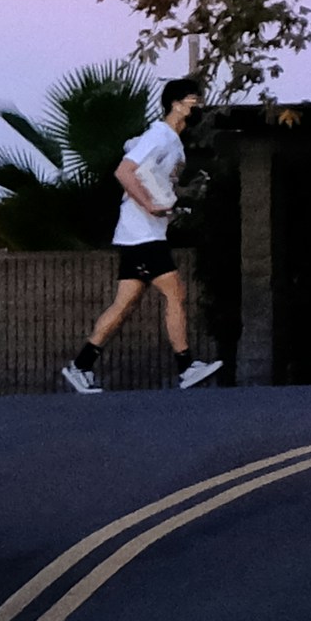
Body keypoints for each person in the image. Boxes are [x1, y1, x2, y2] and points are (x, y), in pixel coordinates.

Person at [65, 76, 228, 392]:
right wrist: (151, 206)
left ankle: (81, 365)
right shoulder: (159, 136)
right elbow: (124, 172)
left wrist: (185, 195)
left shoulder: (173, 143)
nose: (200, 106)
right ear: (176, 104)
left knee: (123, 305)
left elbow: (158, 183)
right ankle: (186, 367)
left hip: (141, 234)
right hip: (142, 234)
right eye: (195, 100)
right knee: (175, 292)